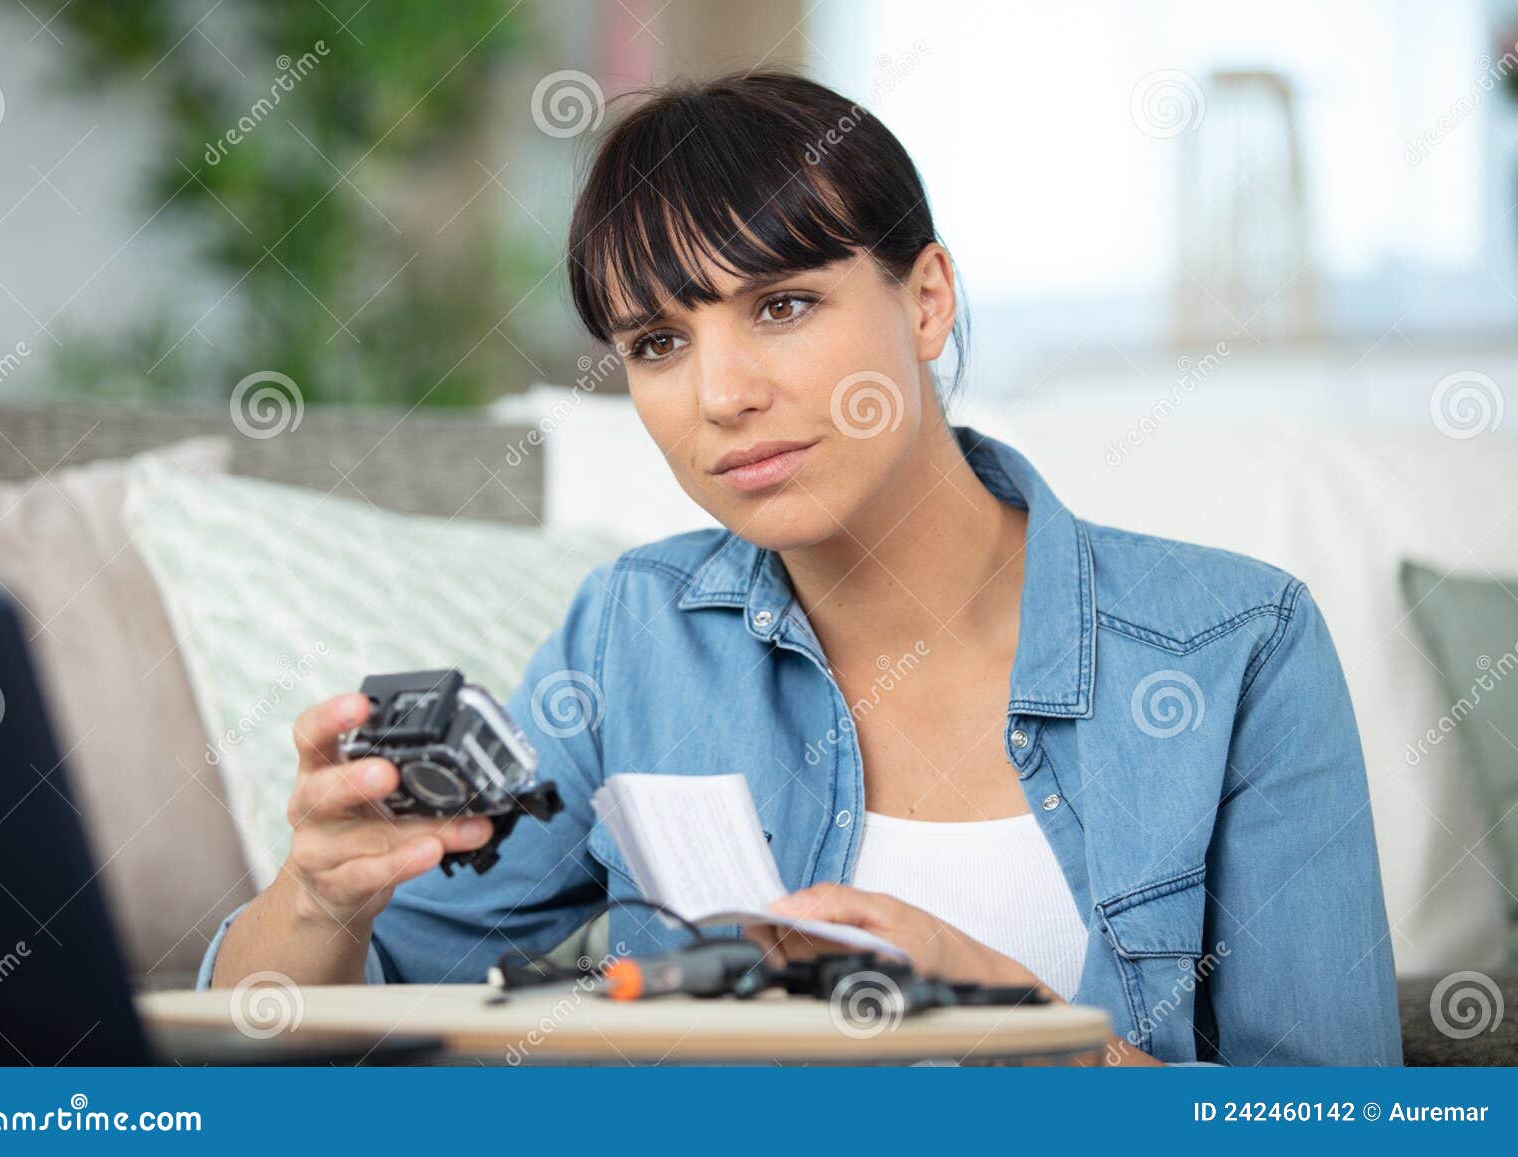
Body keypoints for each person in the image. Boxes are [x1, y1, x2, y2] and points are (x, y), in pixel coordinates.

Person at [203, 70, 1401, 1066]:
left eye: (781, 305)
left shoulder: (1240, 645)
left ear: (925, 300)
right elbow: (343, 1046)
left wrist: (1040, 1042)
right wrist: (319, 899)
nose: (720, 394)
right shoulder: (632, 637)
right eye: (658, 342)